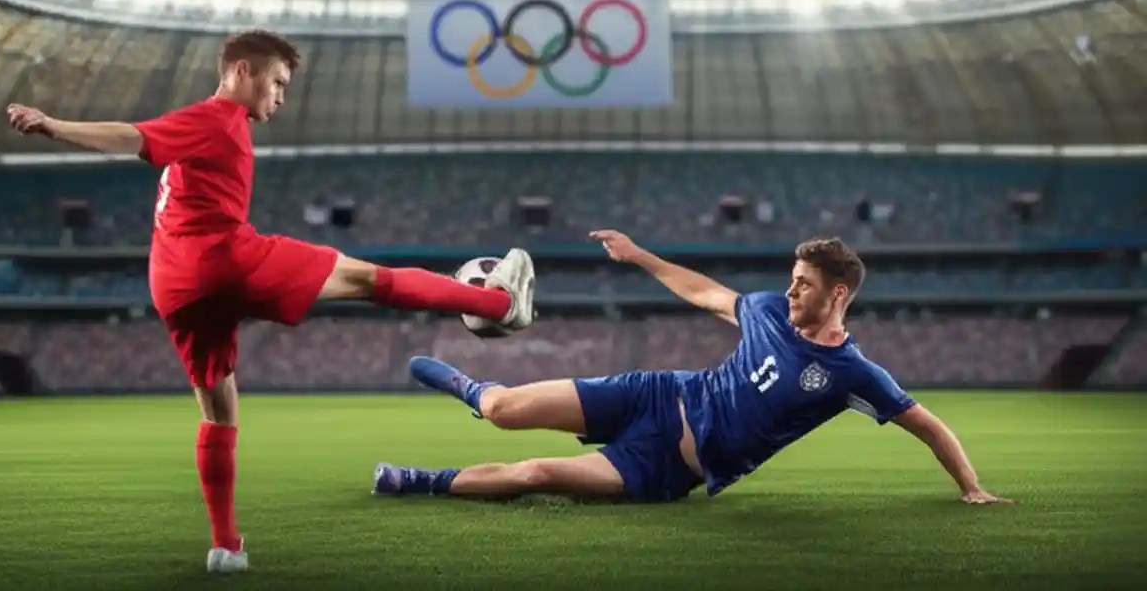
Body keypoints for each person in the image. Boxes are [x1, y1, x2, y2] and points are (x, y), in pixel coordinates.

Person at [5, 30, 537, 574]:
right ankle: (496, 305)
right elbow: (133, 138)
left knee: (219, 410)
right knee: (366, 279)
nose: (281, 96)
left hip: (173, 286)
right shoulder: (217, 117)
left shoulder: (217, 132)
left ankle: (224, 547)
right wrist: (55, 125)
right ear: (241, 71)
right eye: (277, 82)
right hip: (225, 258)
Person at [374, 231, 1012, 507]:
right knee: (502, 410)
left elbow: (929, 425)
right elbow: (702, 289)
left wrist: (970, 486)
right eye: (790, 281)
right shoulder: (763, 309)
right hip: (655, 395)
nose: (788, 292)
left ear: (837, 294)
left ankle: (419, 482)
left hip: (667, 466)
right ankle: (472, 389)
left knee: (537, 472)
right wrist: (637, 256)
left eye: (802, 285)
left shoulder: (852, 373)